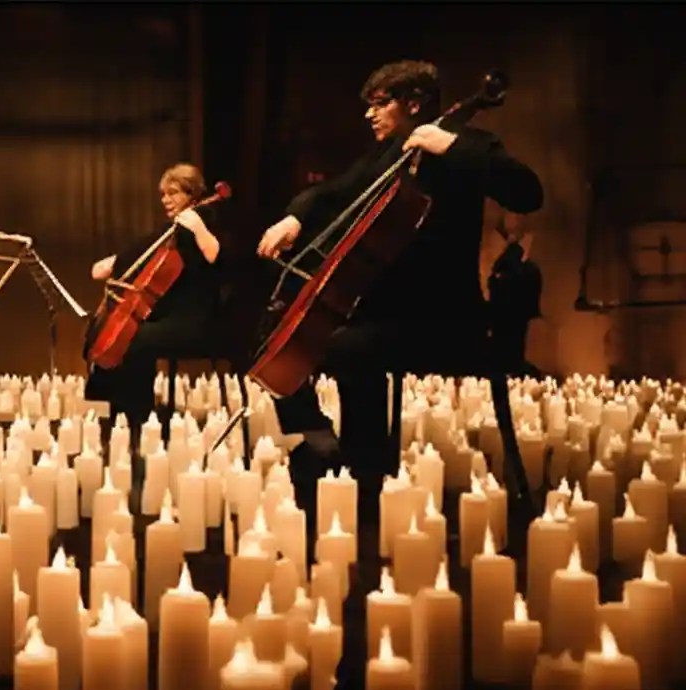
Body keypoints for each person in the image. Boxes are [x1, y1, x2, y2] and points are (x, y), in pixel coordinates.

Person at [256, 60, 544, 492]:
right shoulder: (390, 156)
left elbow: (528, 191)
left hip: (444, 318)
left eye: (379, 104)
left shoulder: (465, 143)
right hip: (385, 312)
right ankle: (320, 441)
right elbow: (331, 192)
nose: (369, 114)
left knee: (349, 348)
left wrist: (449, 144)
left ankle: (366, 471)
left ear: (414, 104)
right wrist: (295, 219)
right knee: (276, 329)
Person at [84, 162, 226, 425]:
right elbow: (145, 247)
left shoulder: (204, 220)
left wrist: (198, 227)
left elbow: (215, 256)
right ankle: (114, 411)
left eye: (173, 193)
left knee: (133, 341)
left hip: (196, 321)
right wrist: (115, 261)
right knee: (117, 333)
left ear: (191, 194)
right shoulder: (173, 229)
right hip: (170, 317)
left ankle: (135, 415)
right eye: (163, 194)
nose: (166, 199)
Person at [487, 214, 543, 376]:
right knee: (508, 340)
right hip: (505, 313)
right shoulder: (510, 268)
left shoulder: (526, 269)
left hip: (513, 312)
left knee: (514, 339)